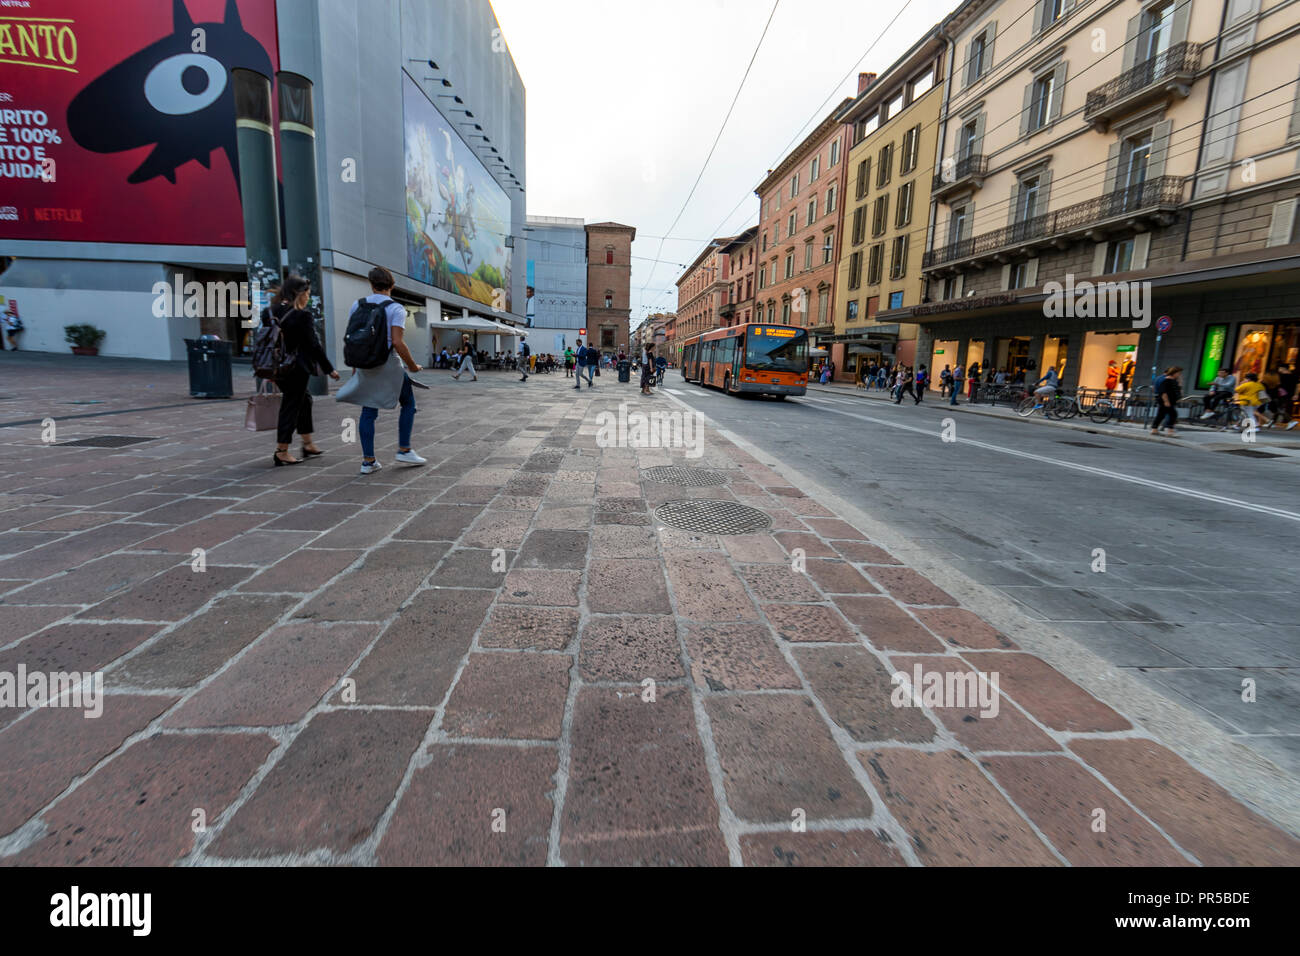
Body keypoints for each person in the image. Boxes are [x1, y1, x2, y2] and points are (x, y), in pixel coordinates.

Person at [343, 266, 426, 475]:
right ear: (392, 285)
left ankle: (368, 461)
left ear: (371, 285)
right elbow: (398, 342)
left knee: (368, 410)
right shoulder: (395, 308)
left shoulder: (357, 305)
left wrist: (356, 366)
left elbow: (354, 339)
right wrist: (413, 366)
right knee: (408, 402)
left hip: (364, 363)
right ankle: (404, 449)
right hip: (387, 362)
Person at [271, 274, 339, 466]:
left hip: (276, 365)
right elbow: (313, 345)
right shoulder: (302, 316)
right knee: (291, 405)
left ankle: (307, 443)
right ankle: (281, 450)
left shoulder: (270, 310)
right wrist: (329, 369)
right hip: (295, 368)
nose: (308, 297)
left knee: (304, 400)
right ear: (298, 293)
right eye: (307, 293)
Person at [1150, 365, 1183, 437]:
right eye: (1179, 373)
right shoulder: (1167, 380)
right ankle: (1170, 431)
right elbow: (1163, 392)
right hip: (1166, 401)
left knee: (1161, 415)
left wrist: (1180, 381)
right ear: (1174, 373)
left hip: (1170, 401)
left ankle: (1154, 429)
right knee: (1173, 414)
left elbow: (1178, 390)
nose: (1179, 375)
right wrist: (1166, 401)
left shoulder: (1173, 380)